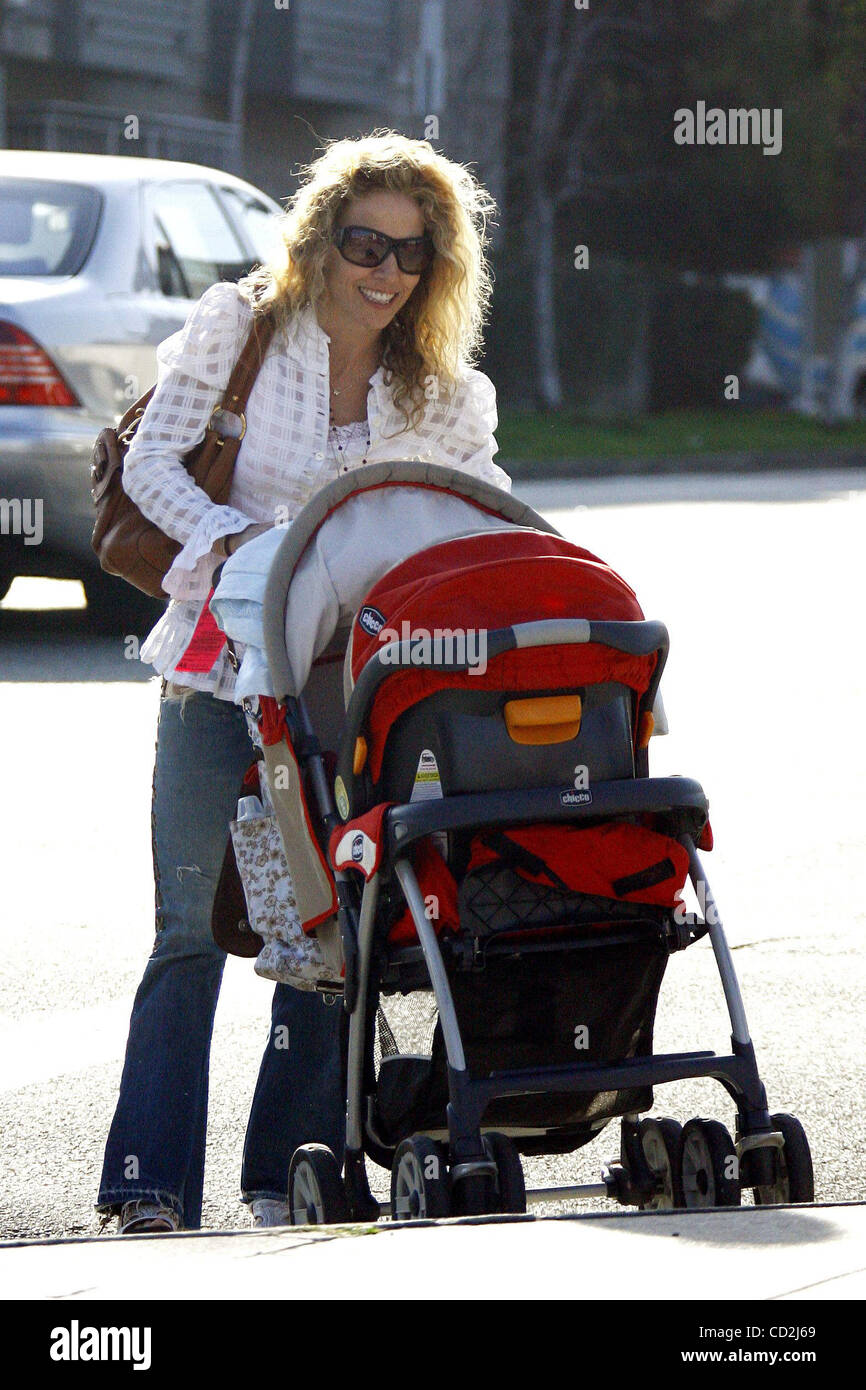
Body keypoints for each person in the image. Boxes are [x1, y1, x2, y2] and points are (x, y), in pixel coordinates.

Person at [95, 130, 512, 1233]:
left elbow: (475, 515)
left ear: (433, 269)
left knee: (329, 938)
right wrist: (244, 549)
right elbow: (150, 464)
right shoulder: (243, 328)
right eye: (364, 243)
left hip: (343, 693)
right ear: (321, 240)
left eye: (409, 255)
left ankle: (293, 1174)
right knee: (191, 926)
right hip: (218, 672)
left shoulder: (439, 392)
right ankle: (146, 1188)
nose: (382, 272)